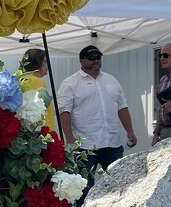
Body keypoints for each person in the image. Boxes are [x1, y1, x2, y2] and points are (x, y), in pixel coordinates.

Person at [57, 44, 137, 172]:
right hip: (85, 146)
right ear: (81, 61)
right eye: (91, 58)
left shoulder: (111, 80)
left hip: (112, 143)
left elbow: (122, 107)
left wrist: (130, 131)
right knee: (85, 188)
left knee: (117, 185)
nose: (96, 61)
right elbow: (64, 113)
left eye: (98, 58)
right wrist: (70, 139)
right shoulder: (70, 83)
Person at [19, 47, 56, 130]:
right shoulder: (36, 81)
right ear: (37, 63)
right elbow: (40, 112)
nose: (48, 65)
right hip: (44, 132)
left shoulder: (21, 79)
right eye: (45, 61)